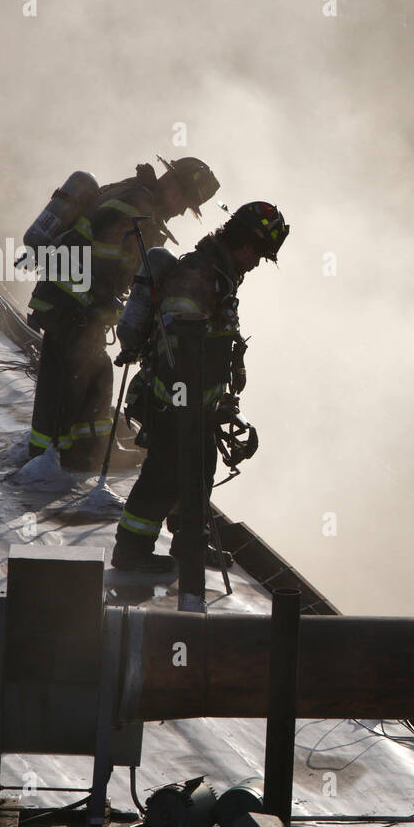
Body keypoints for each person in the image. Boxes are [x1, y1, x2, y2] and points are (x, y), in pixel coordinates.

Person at [112, 201, 288, 572]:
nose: (256, 263)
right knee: (164, 473)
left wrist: (217, 399)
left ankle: (190, 545)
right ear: (243, 243)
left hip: (196, 402)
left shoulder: (220, 274)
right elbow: (179, 342)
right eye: (257, 254)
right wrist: (190, 402)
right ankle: (130, 551)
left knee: (200, 466)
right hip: (174, 399)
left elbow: (213, 342)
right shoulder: (200, 273)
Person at [24, 157, 219, 470]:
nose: (182, 210)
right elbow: (105, 257)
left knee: (70, 378)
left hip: (64, 301)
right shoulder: (137, 208)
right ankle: (72, 456)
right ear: (170, 183)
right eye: (184, 199)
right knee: (84, 378)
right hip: (74, 305)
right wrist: (112, 297)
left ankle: (60, 452)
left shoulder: (135, 193)